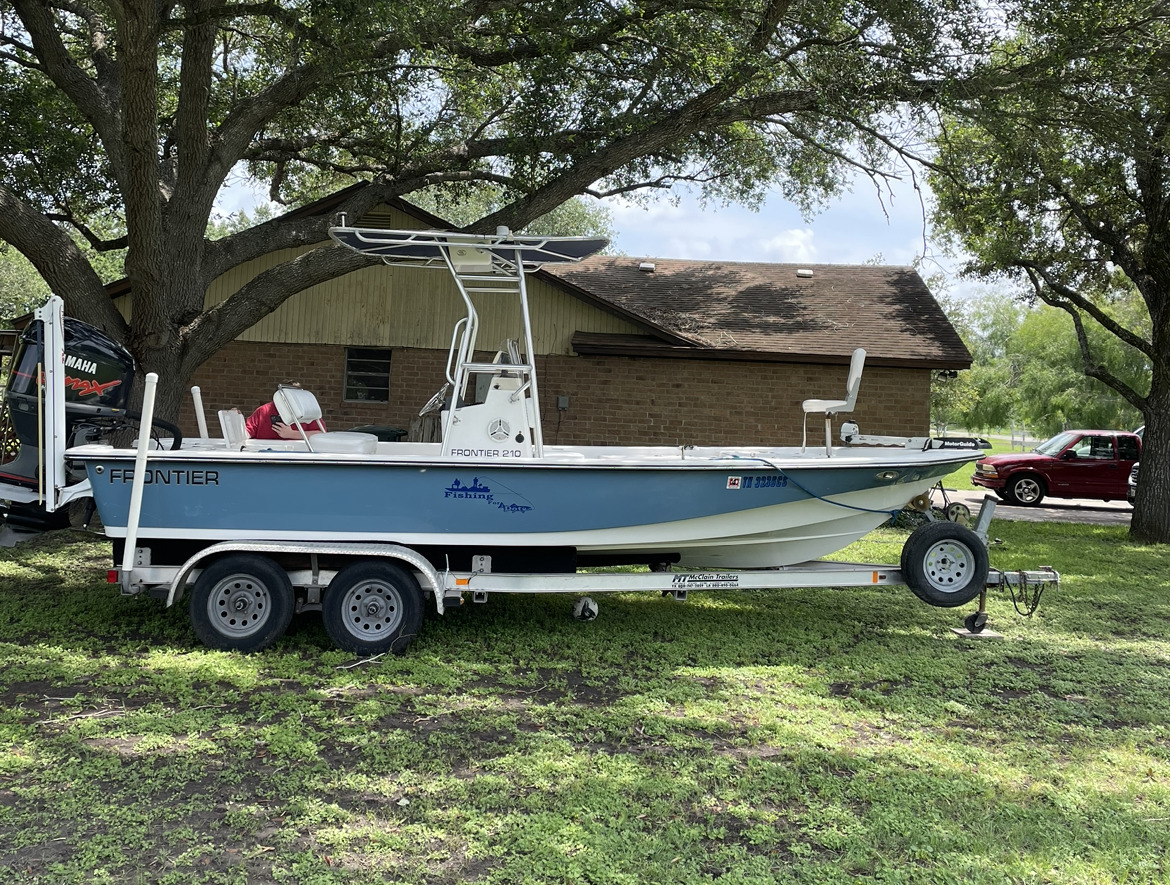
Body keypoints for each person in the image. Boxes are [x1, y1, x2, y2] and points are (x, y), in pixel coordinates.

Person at [245, 382, 326, 440]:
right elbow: (245, 433)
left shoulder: (307, 410)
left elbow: (321, 435)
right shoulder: (263, 411)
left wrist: (292, 434)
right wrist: (236, 419)